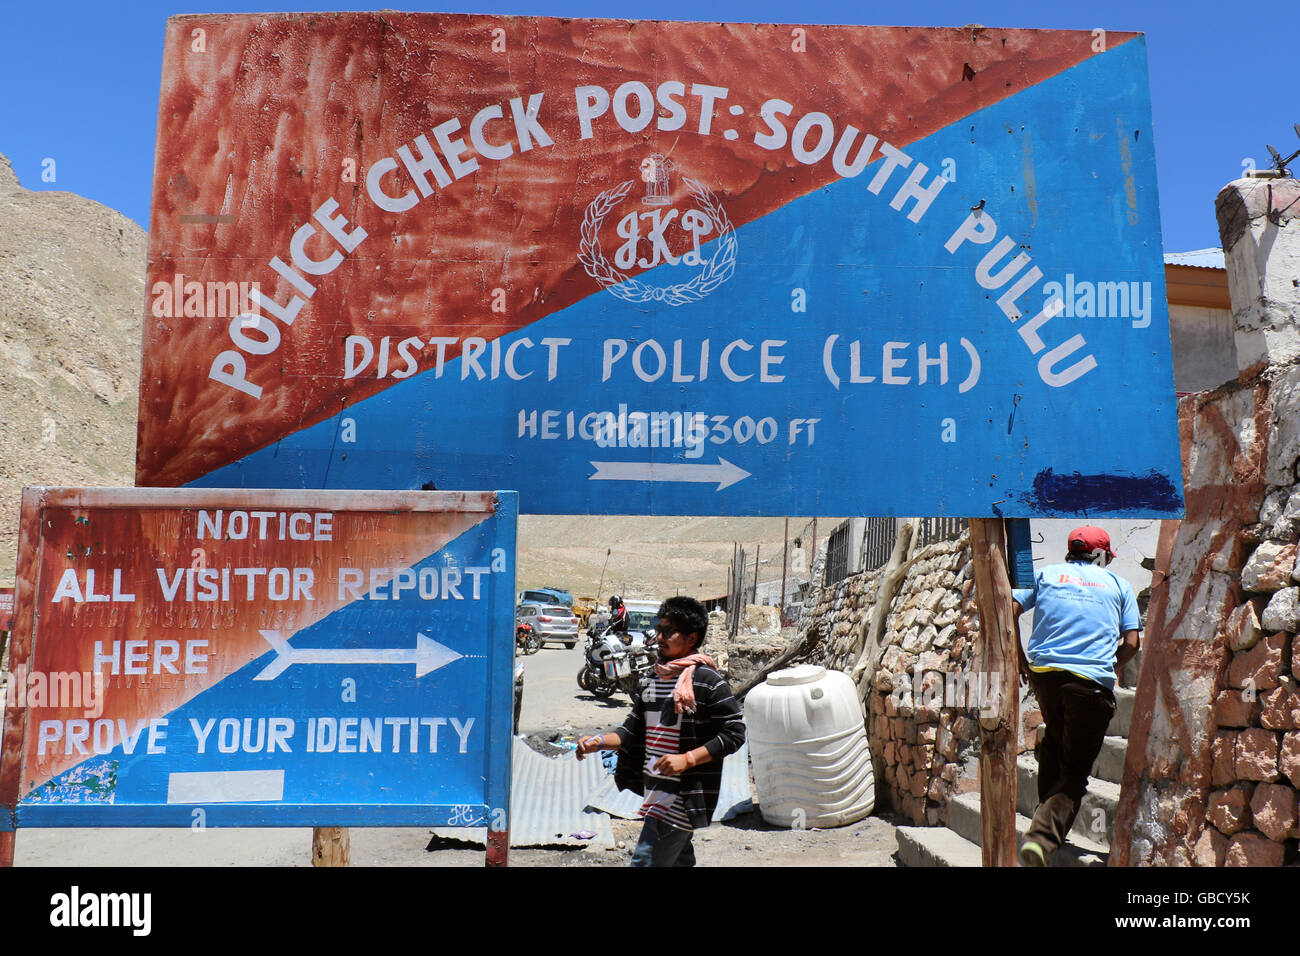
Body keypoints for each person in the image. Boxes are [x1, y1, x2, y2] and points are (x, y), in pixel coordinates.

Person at [576, 595, 745, 866]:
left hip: (680, 797)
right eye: (660, 629)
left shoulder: (707, 682)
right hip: (654, 791)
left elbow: (735, 733)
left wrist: (686, 760)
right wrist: (599, 741)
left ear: (691, 639)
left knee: (645, 862)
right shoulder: (655, 679)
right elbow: (632, 731)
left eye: (669, 631)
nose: (660, 637)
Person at [1011, 525, 1140, 867]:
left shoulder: (1046, 574)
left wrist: (1019, 658)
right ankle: (1040, 839)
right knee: (1076, 770)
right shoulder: (1118, 585)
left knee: (1054, 740)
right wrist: (1110, 665)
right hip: (1090, 684)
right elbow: (1132, 643)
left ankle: (1047, 819)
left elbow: (1009, 609)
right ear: (1101, 556)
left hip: (1045, 677)